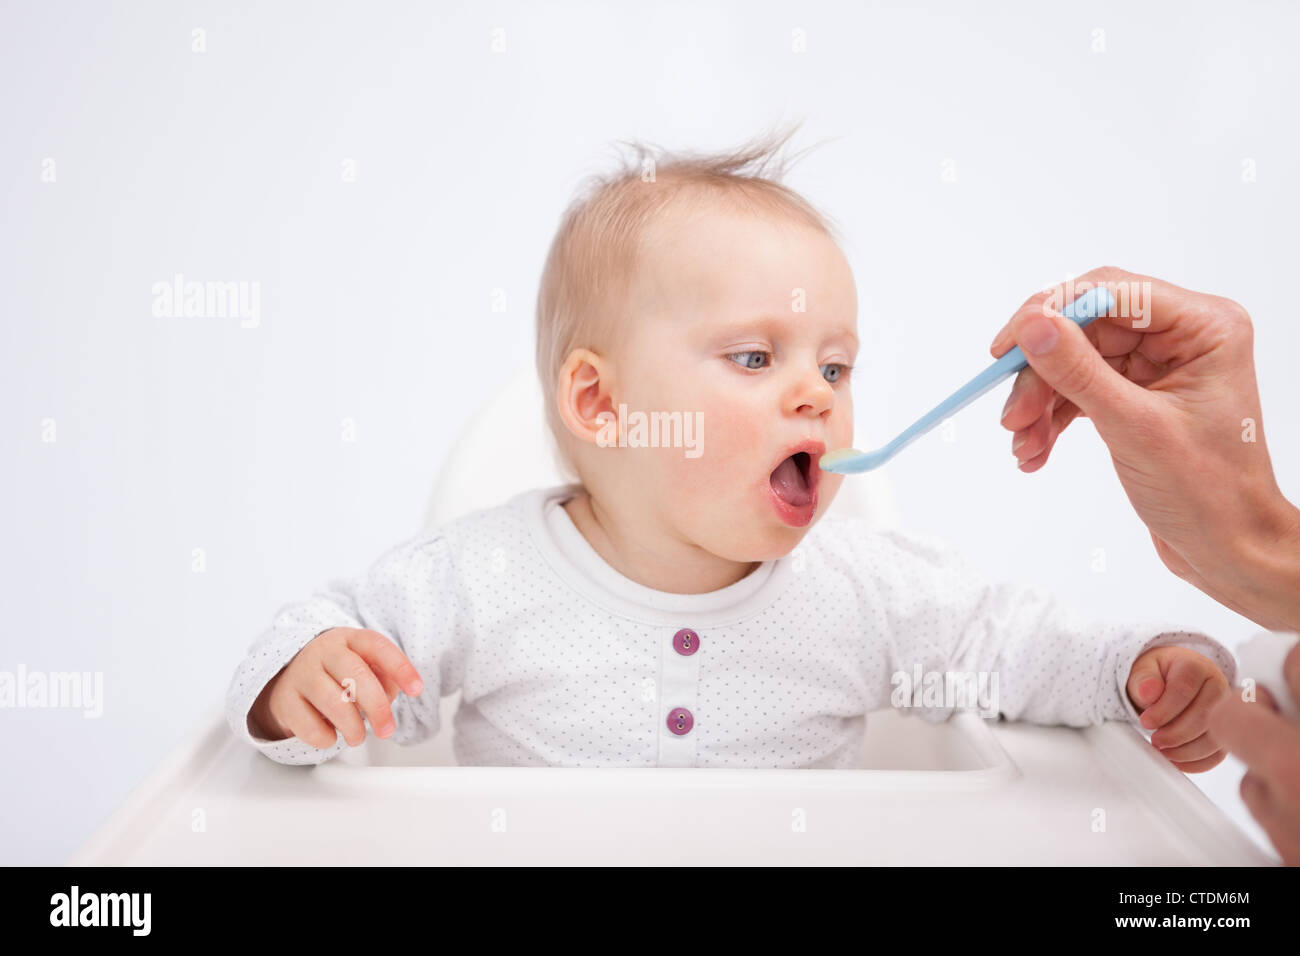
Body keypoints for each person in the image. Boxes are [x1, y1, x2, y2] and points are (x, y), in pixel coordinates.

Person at [989, 265, 1300, 864]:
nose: (816, 395)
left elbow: (1010, 648)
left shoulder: (873, 581)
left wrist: (1135, 671)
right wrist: (1256, 546)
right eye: (754, 358)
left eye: (834, 370)